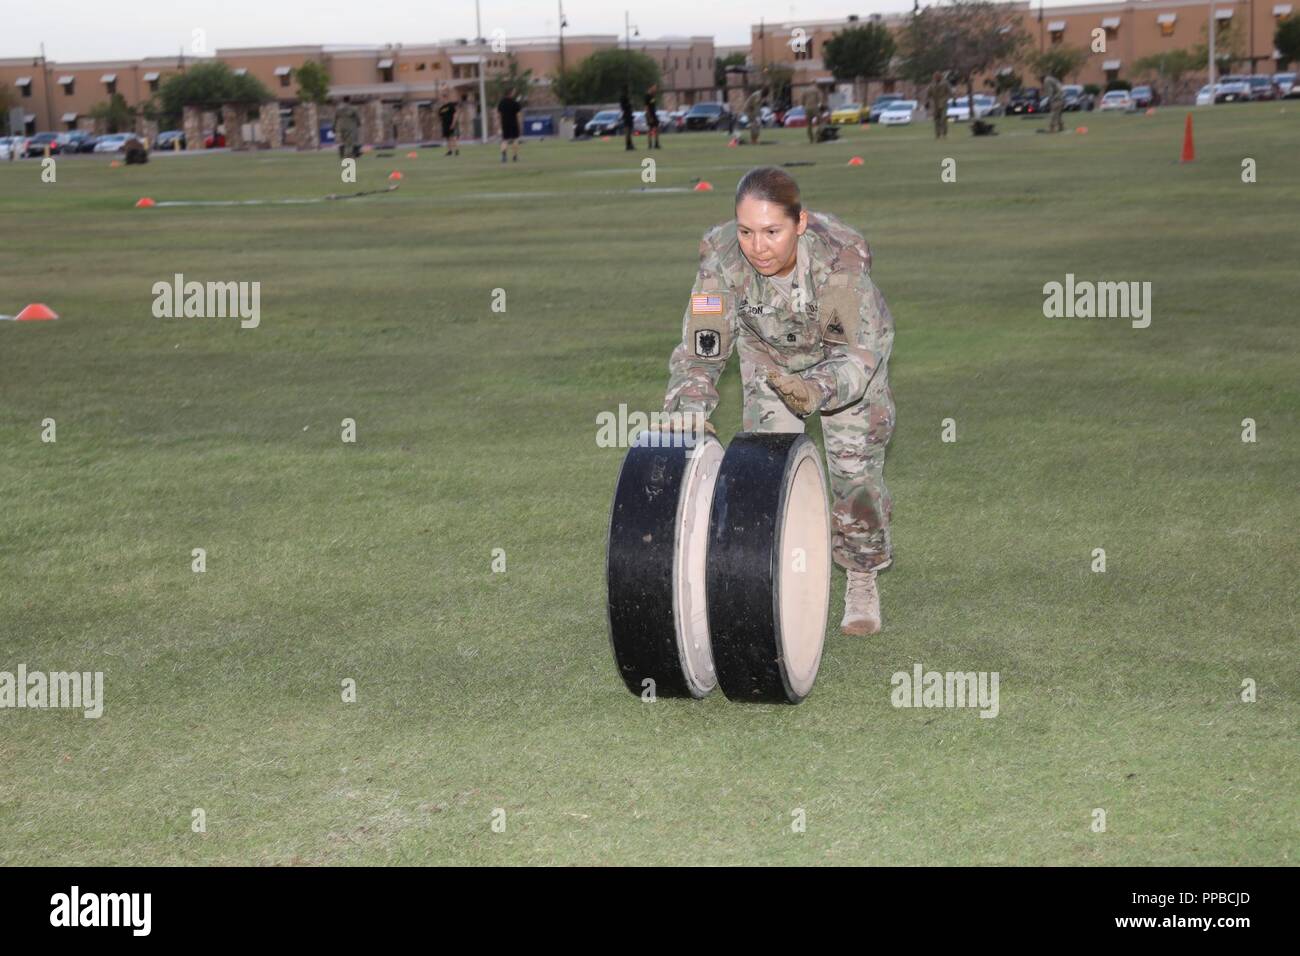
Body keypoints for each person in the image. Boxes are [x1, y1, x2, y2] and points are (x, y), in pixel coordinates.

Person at [661, 167, 895, 636]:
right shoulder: (722, 258)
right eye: (746, 231)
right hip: (769, 359)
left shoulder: (839, 258)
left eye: (772, 232)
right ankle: (777, 577)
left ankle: (861, 575)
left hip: (841, 365)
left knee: (854, 475)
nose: (758, 246)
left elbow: (854, 355)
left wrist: (813, 389)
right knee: (763, 475)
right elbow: (703, 347)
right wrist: (688, 411)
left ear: (800, 223)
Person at [498, 87, 523, 163]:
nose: (514, 93)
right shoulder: (515, 103)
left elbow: (499, 115)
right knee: (515, 139)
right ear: (511, 93)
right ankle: (515, 156)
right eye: (513, 92)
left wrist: (499, 125)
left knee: (504, 140)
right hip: (514, 124)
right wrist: (520, 124)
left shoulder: (501, 102)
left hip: (504, 124)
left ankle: (504, 156)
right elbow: (518, 115)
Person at [926, 72, 951, 139]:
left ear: (940, 77)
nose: (936, 78)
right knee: (936, 120)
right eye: (935, 77)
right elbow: (928, 94)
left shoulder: (945, 83)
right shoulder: (931, 84)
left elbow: (949, 92)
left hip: (943, 103)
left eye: (937, 76)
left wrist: (950, 99)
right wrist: (927, 102)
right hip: (935, 104)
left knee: (943, 119)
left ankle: (944, 133)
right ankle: (937, 134)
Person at [645, 83, 661, 150]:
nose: (655, 89)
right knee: (650, 129)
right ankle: (650, 144)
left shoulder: (653, 96)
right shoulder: (647, 96)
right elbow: (646, 107)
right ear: (650, 87)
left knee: (657, 128)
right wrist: (649, 117)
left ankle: (656, 144)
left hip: (654, 114)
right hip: (650, 114)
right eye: (654, 87)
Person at [619, 87, 635, 151]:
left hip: (629, 115)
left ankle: (630, 144)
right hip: (626, 116)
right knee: (627, 131)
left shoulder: (626, 98)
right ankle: (628, 145)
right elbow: (623, 107)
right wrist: (629, 104)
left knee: (629, 131)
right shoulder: (623, 98)